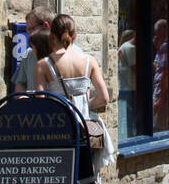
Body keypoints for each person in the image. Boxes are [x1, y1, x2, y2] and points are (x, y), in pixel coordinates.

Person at [35, 14, 112, 168]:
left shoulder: (43, 65)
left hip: (56, 132)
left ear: (52, 36)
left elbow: (41, 102)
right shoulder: (89, 61)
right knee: (83, 177)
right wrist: (83, 105)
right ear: (75, 35)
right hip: (84, 130)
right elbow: (104, 98)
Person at [11, 7, 54, 92]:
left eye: (32, 29)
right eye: (27, 29)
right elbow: (20, 84)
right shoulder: (29, 53)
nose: (29, 33)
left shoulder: (65, 53)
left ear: (46, 26)